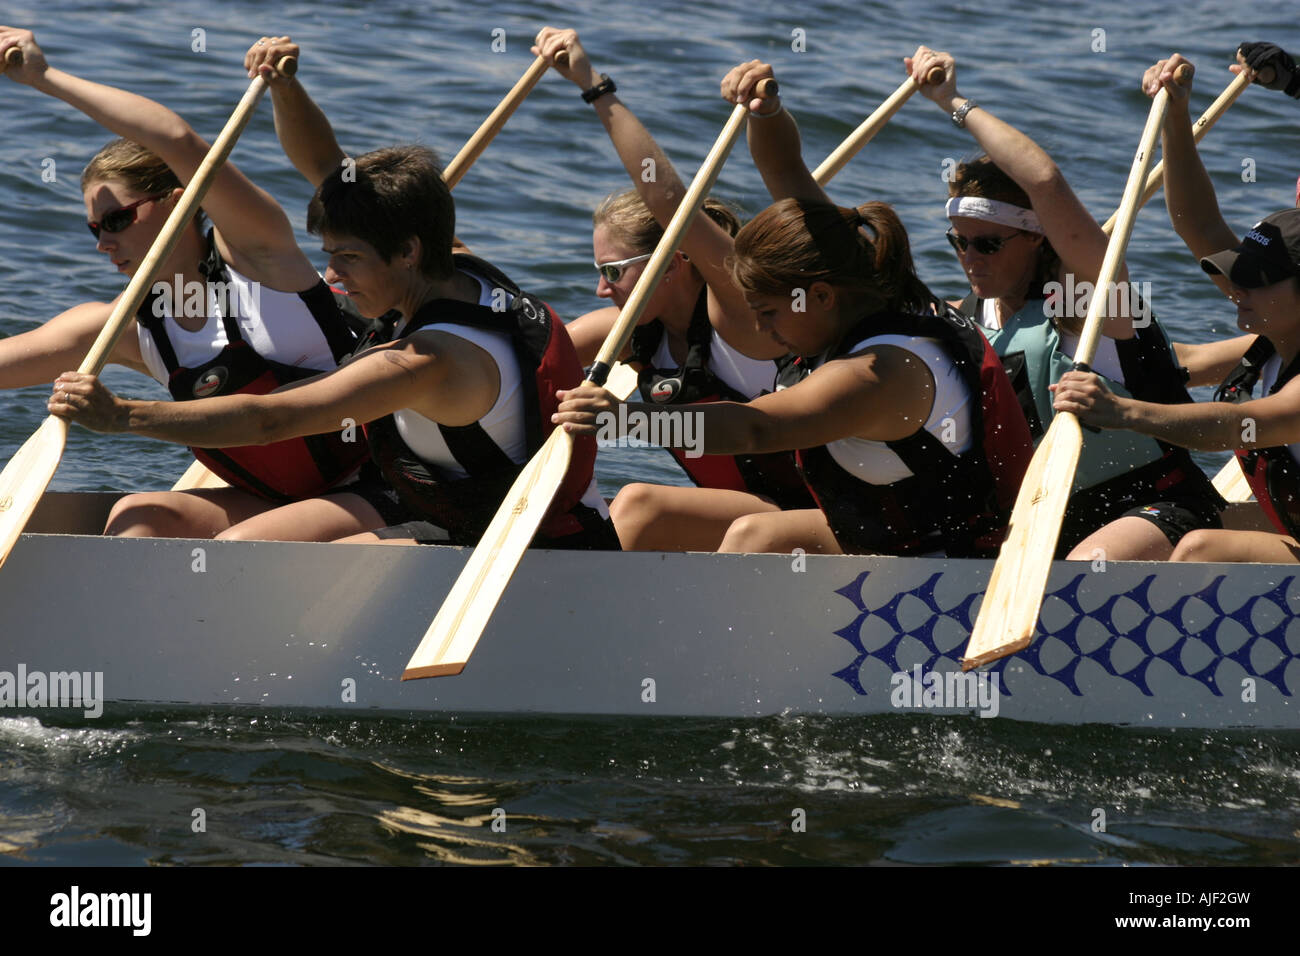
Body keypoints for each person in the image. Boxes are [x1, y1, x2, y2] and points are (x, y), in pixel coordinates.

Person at [47, 37, 616, 551]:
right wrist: (287, 88)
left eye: (347, 259)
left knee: (253, 557)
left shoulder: (422, 360)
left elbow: (270, 420)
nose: (333, 279)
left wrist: (125, 415)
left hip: (517, 538)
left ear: (408, 251)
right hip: (439, 499)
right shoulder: (454, 261)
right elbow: (325, 165)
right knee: (153, 522)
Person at [0, 26, 368, 540]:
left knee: (239, 545)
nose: (103, 243)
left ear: (177, 201)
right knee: (137, 518)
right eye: (93, 228)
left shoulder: (260, 256)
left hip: (376, 485)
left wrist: (42, 76)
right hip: (273, 499)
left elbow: (176, 139)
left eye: (116, 220)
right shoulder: (121, 328)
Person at [555, 196, 1034, 559]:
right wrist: (766, 117)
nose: (760, 330)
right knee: (638, 502)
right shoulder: (834, 318)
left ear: (820, 296)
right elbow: (791, 178)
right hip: (859, 523)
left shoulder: (876, 373)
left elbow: (755, 427)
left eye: (766, 313)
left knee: (754, 537)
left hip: (946, 550)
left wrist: (633, 421)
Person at [907, 45, 1225, 561]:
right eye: (958, 242)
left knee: (1085, 568)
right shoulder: (964, 319)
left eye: (988, 243)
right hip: (1040, 515)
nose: (970, 257)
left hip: (1150, 506)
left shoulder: (1089, 301)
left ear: (1035, 237)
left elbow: (1043, 181)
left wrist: (952, 102)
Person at [531, 27, 813, 553]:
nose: (599, 289)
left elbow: (668, 199)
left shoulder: (740, 310)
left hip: (812, 515)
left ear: (674, 262)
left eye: (614, 272)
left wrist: (594, 86)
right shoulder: (630, 336)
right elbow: (515, 354)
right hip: (740, 517)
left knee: (641, 505)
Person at [1052, 206, 1300, 564]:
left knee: (1201, 550)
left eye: (1254, 277)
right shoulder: (1274, 343)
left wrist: (1125, 411)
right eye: (1236, 273)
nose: (1235, 288)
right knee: (1171, 527)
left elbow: (1240, 425)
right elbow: (1198, 221)